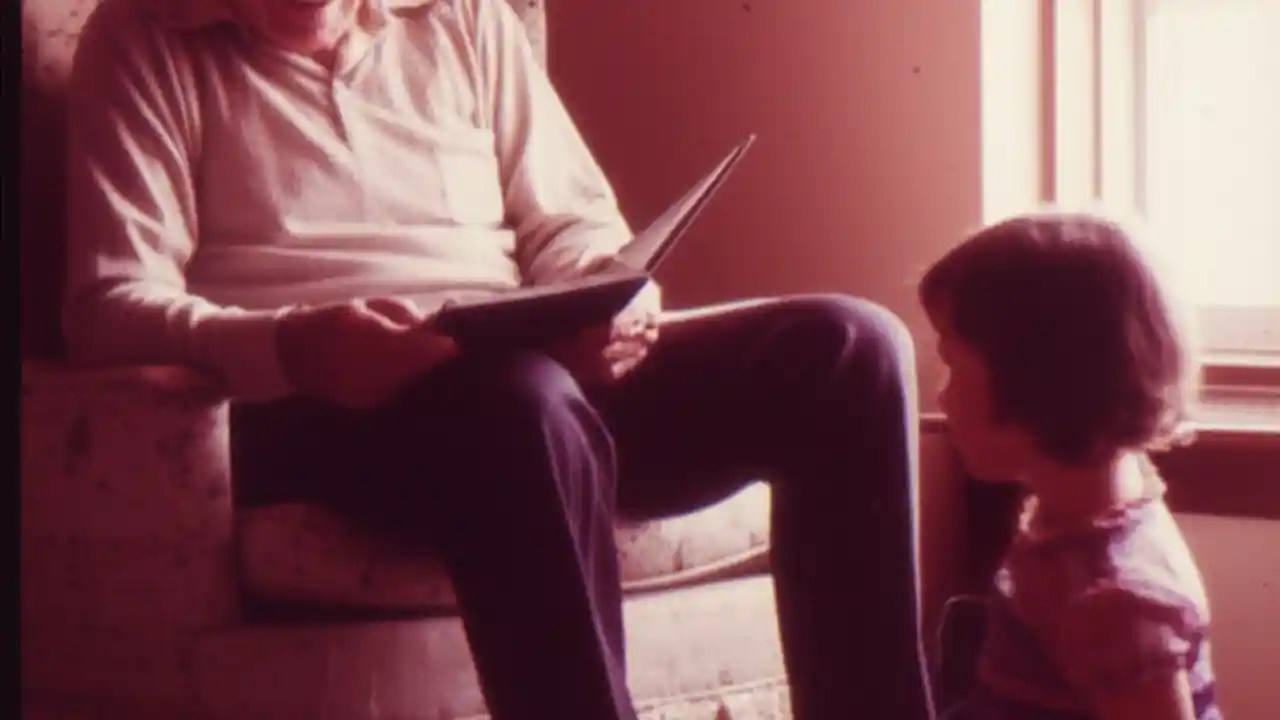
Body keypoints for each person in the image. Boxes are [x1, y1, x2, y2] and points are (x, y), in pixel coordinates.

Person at [64, 0, 936, 717]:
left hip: (523, 368)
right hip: (319, 402)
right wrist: (293, 343)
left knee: (851, 349)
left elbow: (570, 224)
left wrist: (611, 300)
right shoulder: (143, 39)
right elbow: (109, 305)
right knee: (520, 401)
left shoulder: (462, 16)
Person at [919, 212, 1221, 720]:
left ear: (1037, 380)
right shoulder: (1080, 512)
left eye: (955, 367)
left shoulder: (1118, 602)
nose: (943, 397)